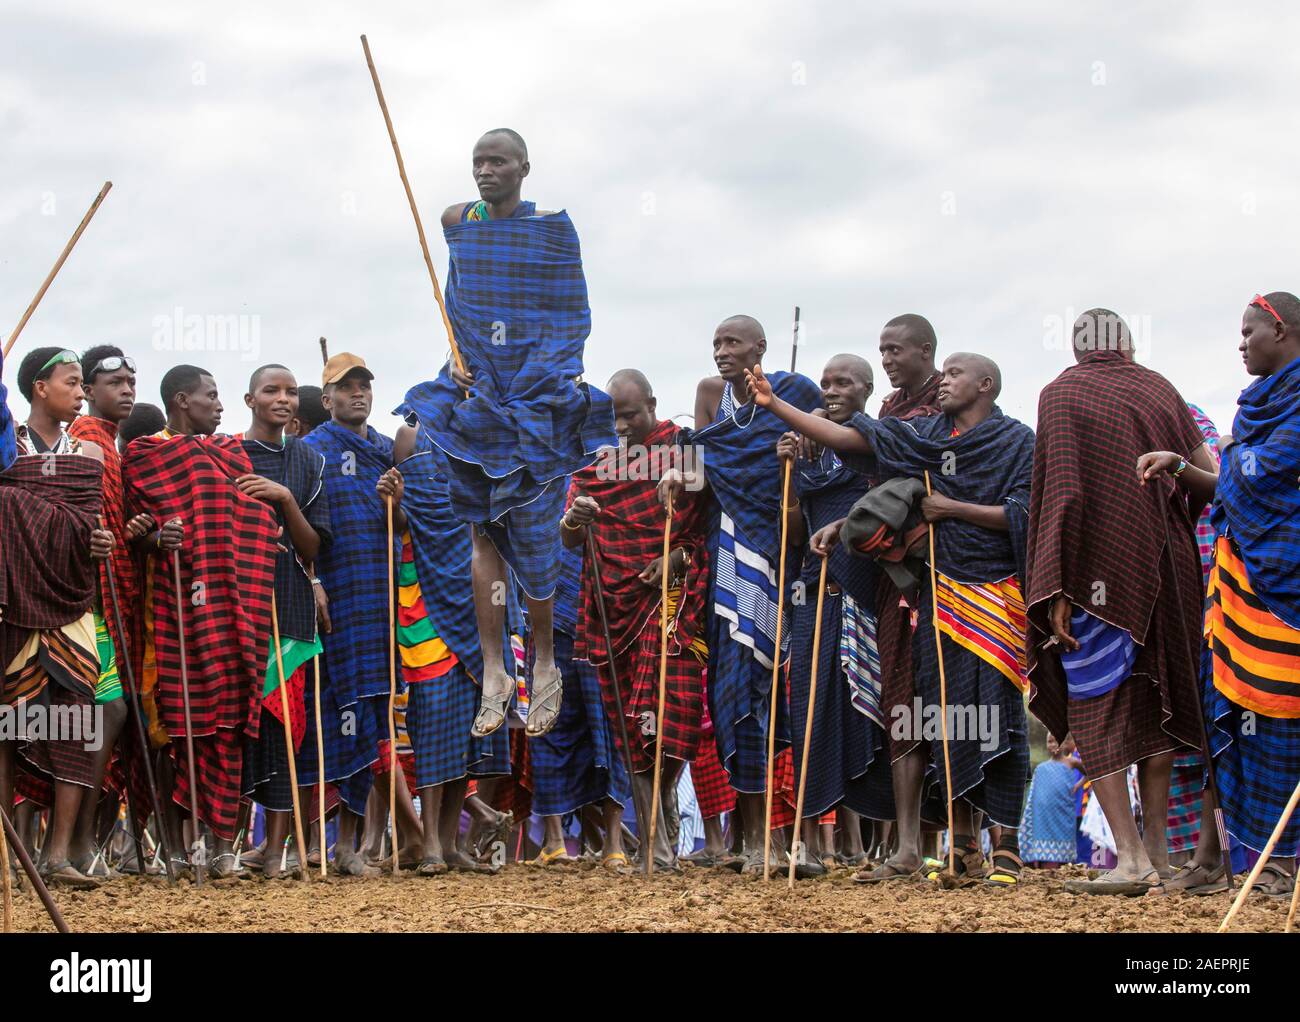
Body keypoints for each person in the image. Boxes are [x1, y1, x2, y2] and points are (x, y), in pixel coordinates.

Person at [745, 351, 1034, 886]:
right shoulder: (924, 434)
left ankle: (1008, 844)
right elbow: (854, 441)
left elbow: (1022, 513)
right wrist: (776, 404)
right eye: (942, 373)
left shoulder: (1018, 441)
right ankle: (961, 845)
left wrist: (953, 510)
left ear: (986, 385)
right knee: (939, 715)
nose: (944, 381)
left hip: (995, 593)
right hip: (933, 592)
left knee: (995, 714)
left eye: (954, 374)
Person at [401, 128, 615, 742]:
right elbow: (451, 232)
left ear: (525, 167)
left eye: (498, 162)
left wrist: (540, 375)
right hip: (475, 393)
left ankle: (543, 660)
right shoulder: (461, 221)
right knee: (482, 536)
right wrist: (459, 356)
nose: (485, 172)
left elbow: (572, 314)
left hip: (538, 394)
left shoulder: (550, 229)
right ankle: (496, 668)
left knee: (538, 544)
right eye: (477, 163)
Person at [1025, 309, 1215, 896]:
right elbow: (1207, 475)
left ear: (1078, 348)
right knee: (1156, 692)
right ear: (1128, 347)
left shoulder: (1059, 394)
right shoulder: (1160, 388)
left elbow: (1063, 492)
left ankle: (1130, 859)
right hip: (1169, 566)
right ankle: (1155, 857)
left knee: (1095, 705)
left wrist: (1052, 585)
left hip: (1093, 574)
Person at [1137, 292, 1300, 898]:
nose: (1240, 344)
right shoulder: (1259, 409)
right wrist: (1181, 466)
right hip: (1237, 589)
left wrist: (1229, 458)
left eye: (1248, 332)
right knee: (1224, 715)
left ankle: (1278, 863)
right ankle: (1212, 860)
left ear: (1279, 331)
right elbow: (1233, 489)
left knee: (1279, 720)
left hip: (1287, 589)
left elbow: (1259, 477)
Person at [659, 315, 822, 873]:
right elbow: (707, 460)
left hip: (776, 561)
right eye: (715, 343)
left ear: (761, 347)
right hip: (723, 563)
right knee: (731, 702)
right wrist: (678, 473)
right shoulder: (710, 395)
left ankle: (779, 843)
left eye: (732, 342)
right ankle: (747, 840)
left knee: (776, 697)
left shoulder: (793, 392)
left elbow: (810, 446)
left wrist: (790, 449)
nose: (721, 352)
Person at [124, 363, 279, 880]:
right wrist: (151, 536)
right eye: (210, 396)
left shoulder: (232, 454)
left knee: (231, 725)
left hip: (237, 611)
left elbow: (255, 520)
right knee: (181, 727)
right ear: (181, 401)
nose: (219, 405)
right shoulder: (146, 455)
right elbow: (136, 529)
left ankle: (223, 847)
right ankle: (181, 848)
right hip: (175, 611)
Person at [563, 369, 710, 870]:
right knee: (631, 728)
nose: (623, 426)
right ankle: (654, 841)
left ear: (653, 403)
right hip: (614, 609)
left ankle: (663, 810)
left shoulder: (682, 451)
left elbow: (704, 510)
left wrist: (675, 558)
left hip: (672, 606)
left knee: (674, 717)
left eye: (631, 413)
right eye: (615, 417)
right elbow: (568, 537)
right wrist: (574, 518)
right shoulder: (597, 470)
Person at [775, 354, 892, 875]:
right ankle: (813, 844)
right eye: (824, 383)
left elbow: (887, 507)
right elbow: (795, 534)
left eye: (843, 382)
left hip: (864, 584)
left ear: (867, 388)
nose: (831, 389)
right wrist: (790, 474)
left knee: (862, 706)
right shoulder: (807, 447)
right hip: (812, 583)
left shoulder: (878, 440)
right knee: (811, 704)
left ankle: (865, 845)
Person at [1, 347, 112, 887]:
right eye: (72, 382)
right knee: (9, 722)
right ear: (39, 388)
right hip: (16, 601)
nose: (81, 391)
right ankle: (10, 854)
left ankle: (58, 855)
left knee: (76, 720)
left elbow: (88, 518)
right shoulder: (7, 447)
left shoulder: (88, 453)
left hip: (73, 600)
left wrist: (99, 538)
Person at [387, 415, 513, 875]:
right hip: (427, 601)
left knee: (468, 730)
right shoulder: (411, 435)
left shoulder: (494, 434)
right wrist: (396, 499)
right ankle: (430, 846)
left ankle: (451, 845)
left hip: (481, 601)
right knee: (434, 721)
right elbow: (405, 516)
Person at [300, 353, 404, 875]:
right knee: (330, 717)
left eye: (364, 385)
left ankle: (350, 847)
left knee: (374, 719)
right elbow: (298, 533)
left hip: (380, 603)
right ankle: (311, 845)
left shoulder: (388, 452)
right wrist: (313, 580)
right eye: (346, 388)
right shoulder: (310, 451)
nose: (358, 394)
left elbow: (409, 526)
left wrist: (397, 500)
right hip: (332, 603)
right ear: (327, 401)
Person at [235, 364, 331, 879]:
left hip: (290, 606)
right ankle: (235, 843)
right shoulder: (229, 455)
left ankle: (276, 849)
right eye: (272, 390)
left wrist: (285, 500)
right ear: (248, 399)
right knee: (240, 725)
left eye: (292, 392)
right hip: (240, 604)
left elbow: (314, 545)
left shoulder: (308, 460)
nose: (284, 399)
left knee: (285, 724)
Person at [66, 345, 141, 876]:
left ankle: (80, 845)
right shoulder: (88, 440)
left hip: (115, 597)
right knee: (104, 713)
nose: (127, 389)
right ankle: (71, 844)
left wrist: (133, 534)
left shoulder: (113, 445)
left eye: (131, 381)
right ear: (88, 391)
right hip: (90, 604)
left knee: (107, 716)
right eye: (114, 382)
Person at [526, 542, 632, 871]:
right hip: (583, 619)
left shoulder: (539, 493)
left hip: (582, 616)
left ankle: (577, 843)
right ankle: (602, 846)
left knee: (558, 725)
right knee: (595, 726)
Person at [1020, 734, 1084, 867]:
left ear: (1064, 743)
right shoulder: (1041, 768)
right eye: (1050, 742)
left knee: (1064, 840)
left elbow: (1090, 772)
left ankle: (1064, 866)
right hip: (1044, 816)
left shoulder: (1072, 762)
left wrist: (1078, 786)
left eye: (1057, 741)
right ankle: (1042, 864)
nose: (1053, 745)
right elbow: (1034, 797)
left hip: (1064, 812)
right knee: (1044, 841)